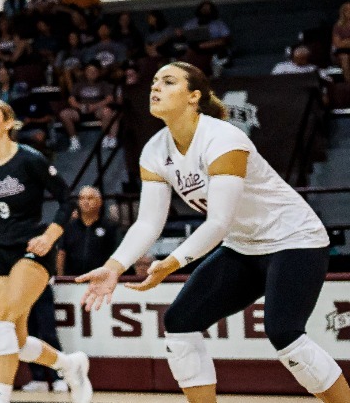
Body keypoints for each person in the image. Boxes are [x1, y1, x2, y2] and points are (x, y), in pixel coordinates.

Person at [76, 63, 343, 403]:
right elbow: (147, 222)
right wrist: (114, 266)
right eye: (154, 81)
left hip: (294, 240)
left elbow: (218, 222)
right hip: (244, 246)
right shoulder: (155, 150)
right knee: (180, 323)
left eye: (168, 81)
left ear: (194, 96)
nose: (155, 87)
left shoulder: (223, 138)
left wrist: (173, 262)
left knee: (284, 333)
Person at [0, 100, 91, 403]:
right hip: (3, 251)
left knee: (1, 320)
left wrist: (50, 236)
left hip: (35, 246)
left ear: (9, 123)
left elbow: (68, 200)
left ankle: (0, 397)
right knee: (15, 339)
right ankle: (69, 365)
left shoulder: (30, 159)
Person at [55, 189, 116, 297]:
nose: (85, 201)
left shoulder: (109, 227)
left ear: (100, 202)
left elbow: (115, 255)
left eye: (90, 198)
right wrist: (61, 279)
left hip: (100, 283)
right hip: (72, 283)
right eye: (82, 198)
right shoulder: (69, 227)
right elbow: (61, 253)